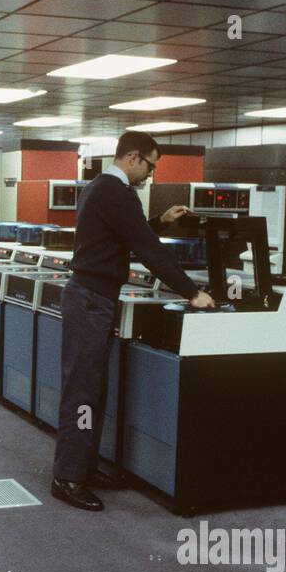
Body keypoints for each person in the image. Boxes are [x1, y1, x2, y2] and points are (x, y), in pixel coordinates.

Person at [52, 131, 215, 512]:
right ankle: (67, 477)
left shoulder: (103, 188)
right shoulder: (115, 191)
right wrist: (192, 292)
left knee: (93, 389)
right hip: (91, 300)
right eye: (151, 166)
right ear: (134, 157)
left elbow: (126, 235)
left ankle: (84, 467)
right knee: (82, 391)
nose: (151, 175)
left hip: (94, 299)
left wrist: (160, 219)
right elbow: (147, 249)